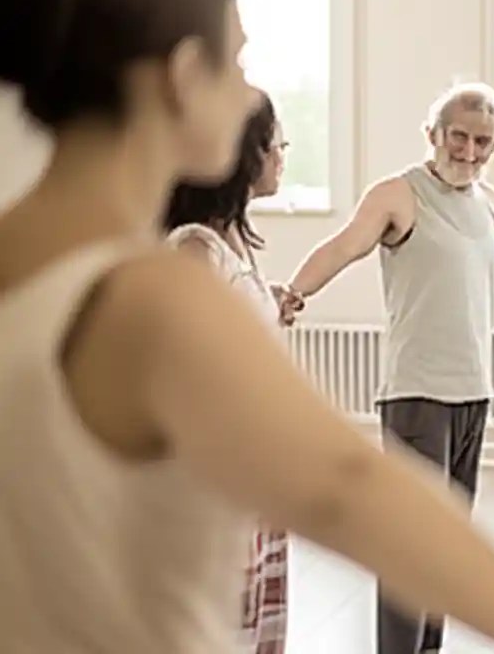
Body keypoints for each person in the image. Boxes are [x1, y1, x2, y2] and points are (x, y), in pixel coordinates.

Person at [0, 0, 494, 653]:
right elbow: (349, 491)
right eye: (240, 59)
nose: (252, 93)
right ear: (184, 75)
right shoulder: (165, 295)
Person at [280, 81, 494, 654]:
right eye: (459, 137)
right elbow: (343, 247)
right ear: (433, 135)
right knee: (408, 544)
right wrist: (295, 292)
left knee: (445, 545)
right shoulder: (397, 194)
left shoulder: (487, 202)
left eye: (483, 141)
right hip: (417, 394)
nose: (469, 151)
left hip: (473, 394)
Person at [164, 90, 295, 654]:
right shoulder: (194, 246)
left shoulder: (235, 238)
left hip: (258, 471)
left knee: (252, 625)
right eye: (277, 144)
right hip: (218, 476)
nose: (284, 155)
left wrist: (272, 309)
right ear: (246, 154)